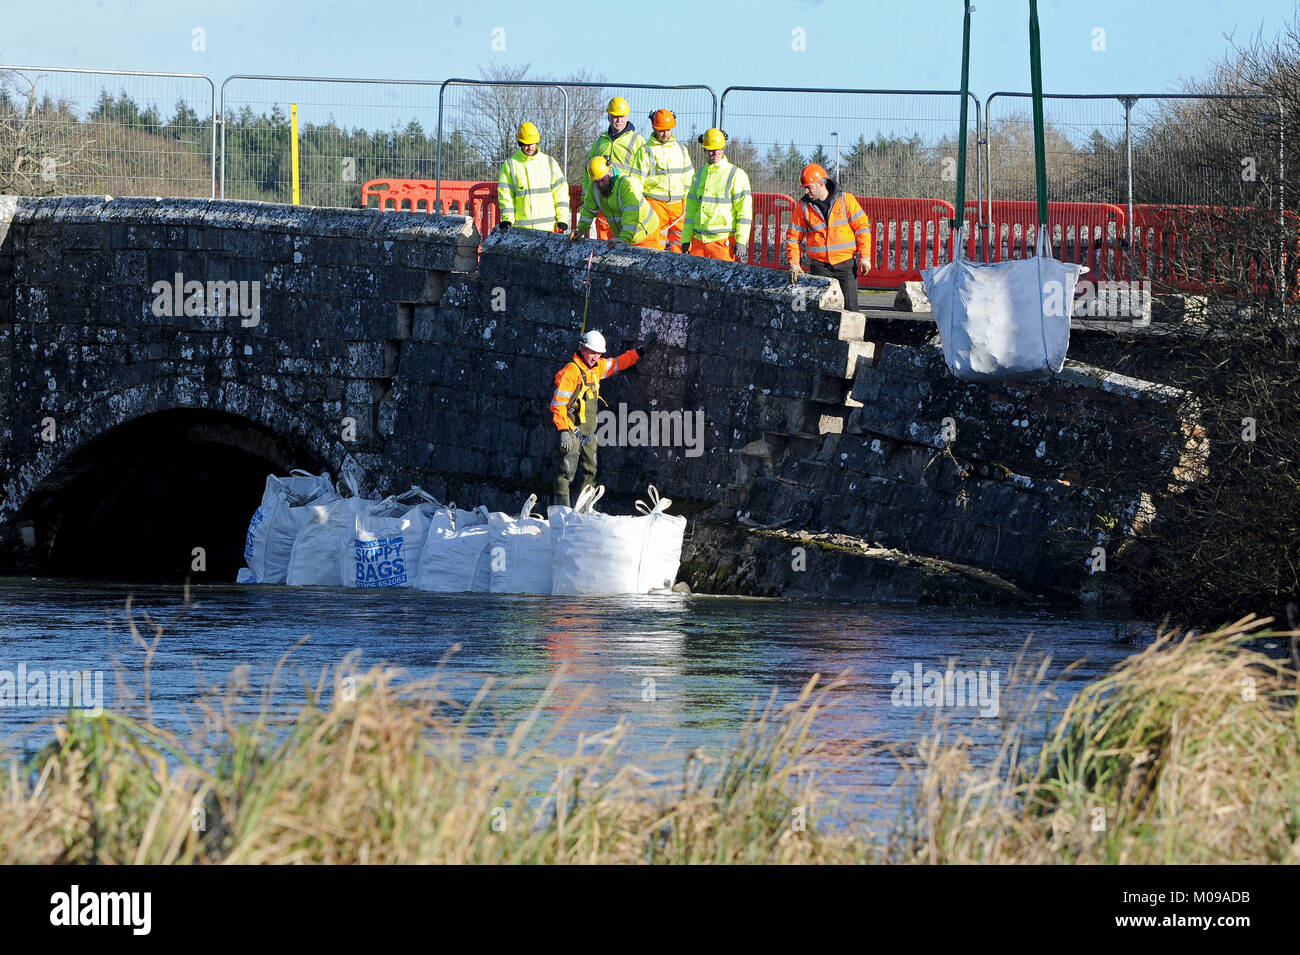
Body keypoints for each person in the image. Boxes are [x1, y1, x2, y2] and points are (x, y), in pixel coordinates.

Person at [550, 328, 659, 507]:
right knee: (566, 471)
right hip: (571, 429)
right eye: (592, 352)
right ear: (582, 349)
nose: (595, 357)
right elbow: (558, 404)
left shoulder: (598, 368)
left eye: (598, 354)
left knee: (590, 471)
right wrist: (563, 430)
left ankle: (583, 512)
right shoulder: (572, 372)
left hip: (589, 433)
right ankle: (561, 512)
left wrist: (640, 351)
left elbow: (619, 362)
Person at [784, 162, 872, 311]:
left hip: (845, 265)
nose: (806, 191)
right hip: (820, 266)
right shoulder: (804, 207)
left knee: (851, 311)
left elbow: (862, 229)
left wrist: (865, 257)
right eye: (805, 187)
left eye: (809, 187)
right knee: (824, 311)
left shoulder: (846, 200)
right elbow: (793, 237)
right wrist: (794, 264)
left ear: (821, 183)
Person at [680, 128, 752, 262]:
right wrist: (686, 238)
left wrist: (742, 240)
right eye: (711, 150)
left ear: (724, 148)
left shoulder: (736, 175)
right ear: (704, 150)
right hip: (698, 242)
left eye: (719, 149)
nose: (715, 153)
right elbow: (690, 212)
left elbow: (744, 212)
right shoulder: (698, 176)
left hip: (722, 242)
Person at [631, 109, 694, 252]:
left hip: (679, 206)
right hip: (654, 204)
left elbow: (689, 179)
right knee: (653, 244)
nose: (665, 134)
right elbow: (636, 182)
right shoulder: (645, 150)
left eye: (668, 130)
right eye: (661, 131)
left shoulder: (681, 149)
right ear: (654, 128)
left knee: (682, 245)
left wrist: (689, 203)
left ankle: (679, 271)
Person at [585, 96, 647, 240]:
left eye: (621, 116)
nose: (618, 120)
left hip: (625, 198)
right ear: (609, 116)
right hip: (603, 197)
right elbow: (588, 169)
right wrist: (586, 194)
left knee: (627, 238)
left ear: (627, 116)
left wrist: (637, 195)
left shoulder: (637, 141)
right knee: (603, 241)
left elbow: (644, 171)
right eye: (615, 116)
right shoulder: (600, 141)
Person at [495, 121, 570, 234]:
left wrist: (563, 218)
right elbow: (505, 195)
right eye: (526, 144)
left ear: (537, 142)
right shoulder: (511, 164)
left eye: (532, 144)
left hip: (548, 228)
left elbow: (561, 193)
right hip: (521, 230)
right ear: (520, 143)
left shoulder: (549, 162)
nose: (530, 147)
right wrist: (507, 219)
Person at [571, 156, 660, 249]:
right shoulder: (593, 187)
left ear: (610, 172)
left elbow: (630, 214)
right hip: (624, 237)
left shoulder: (626, 184)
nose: (600, 184)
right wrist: (581, 230)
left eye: (602, 180)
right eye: (597, 181)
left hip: (647, 235)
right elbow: (588, 210)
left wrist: (623, 238)